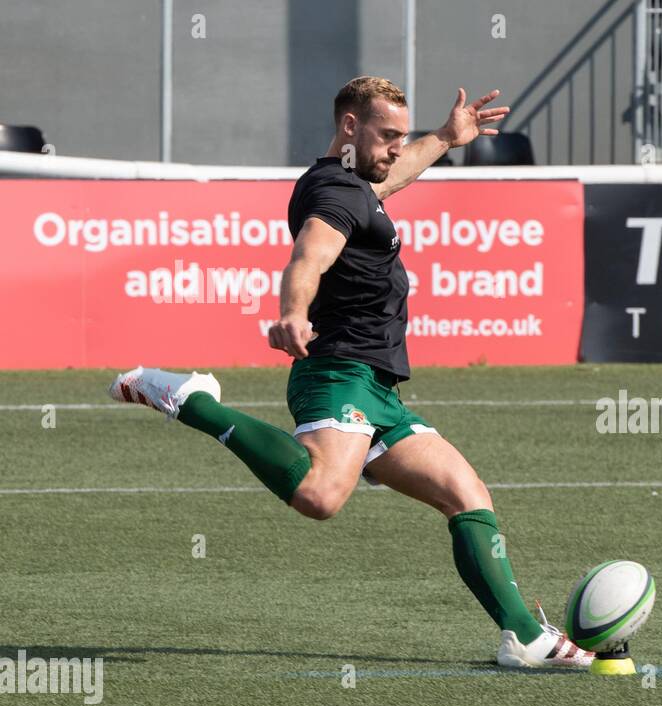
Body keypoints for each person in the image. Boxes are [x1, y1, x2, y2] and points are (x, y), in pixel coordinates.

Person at [109, 76, 591, 669]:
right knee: (318, 494)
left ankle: (522, 636)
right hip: (338, 374)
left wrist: (444, 137)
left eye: (401, 135)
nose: (395, 147)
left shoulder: (359, 182)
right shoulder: (335, 195)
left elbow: (396, 172)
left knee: (466, 495)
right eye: (386, 135)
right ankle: (193, 399)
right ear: (349, 127)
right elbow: (308, 256)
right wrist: (291, 311)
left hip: (379, 389)